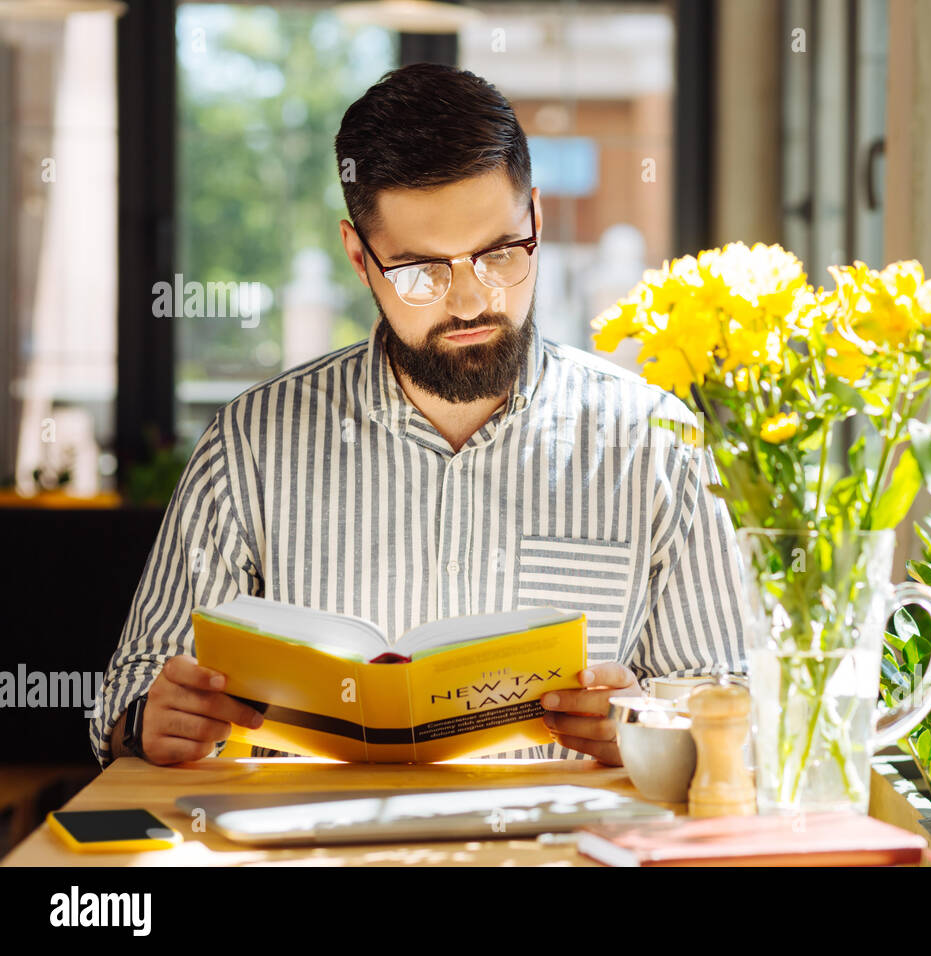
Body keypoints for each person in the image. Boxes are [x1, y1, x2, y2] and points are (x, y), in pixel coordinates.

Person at [91, 63, 748, 768]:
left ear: (536, 221)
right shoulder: (251, 443)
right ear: (360, 257)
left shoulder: (657, 443)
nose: (468, 301)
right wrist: (149, 721)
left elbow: (734, 702)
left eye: (498, 254)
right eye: (419, 272)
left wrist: (644, 725)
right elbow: (127, 694)